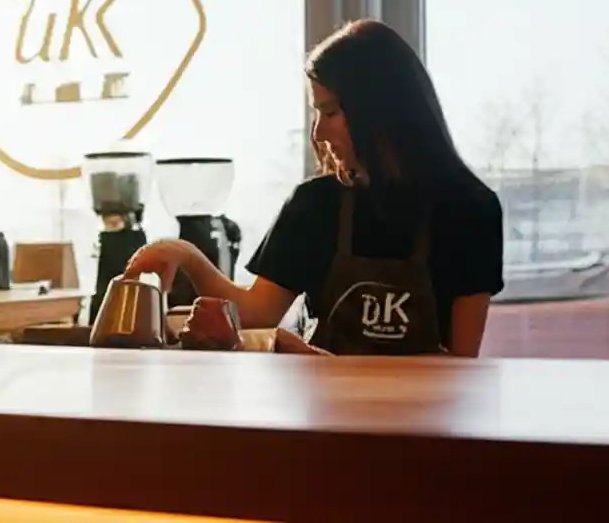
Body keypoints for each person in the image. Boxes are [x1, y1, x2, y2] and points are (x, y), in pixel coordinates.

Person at [125, 19, 504, 356]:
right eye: (316, 114)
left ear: (380, 110)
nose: (319, 134)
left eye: (331, 112)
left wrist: (320, 362)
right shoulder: (315, 205)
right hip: (326, 426)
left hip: (421, 431)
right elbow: (256, 314)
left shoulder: (470, 211)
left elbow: (461, 367)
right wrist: (186, 255)